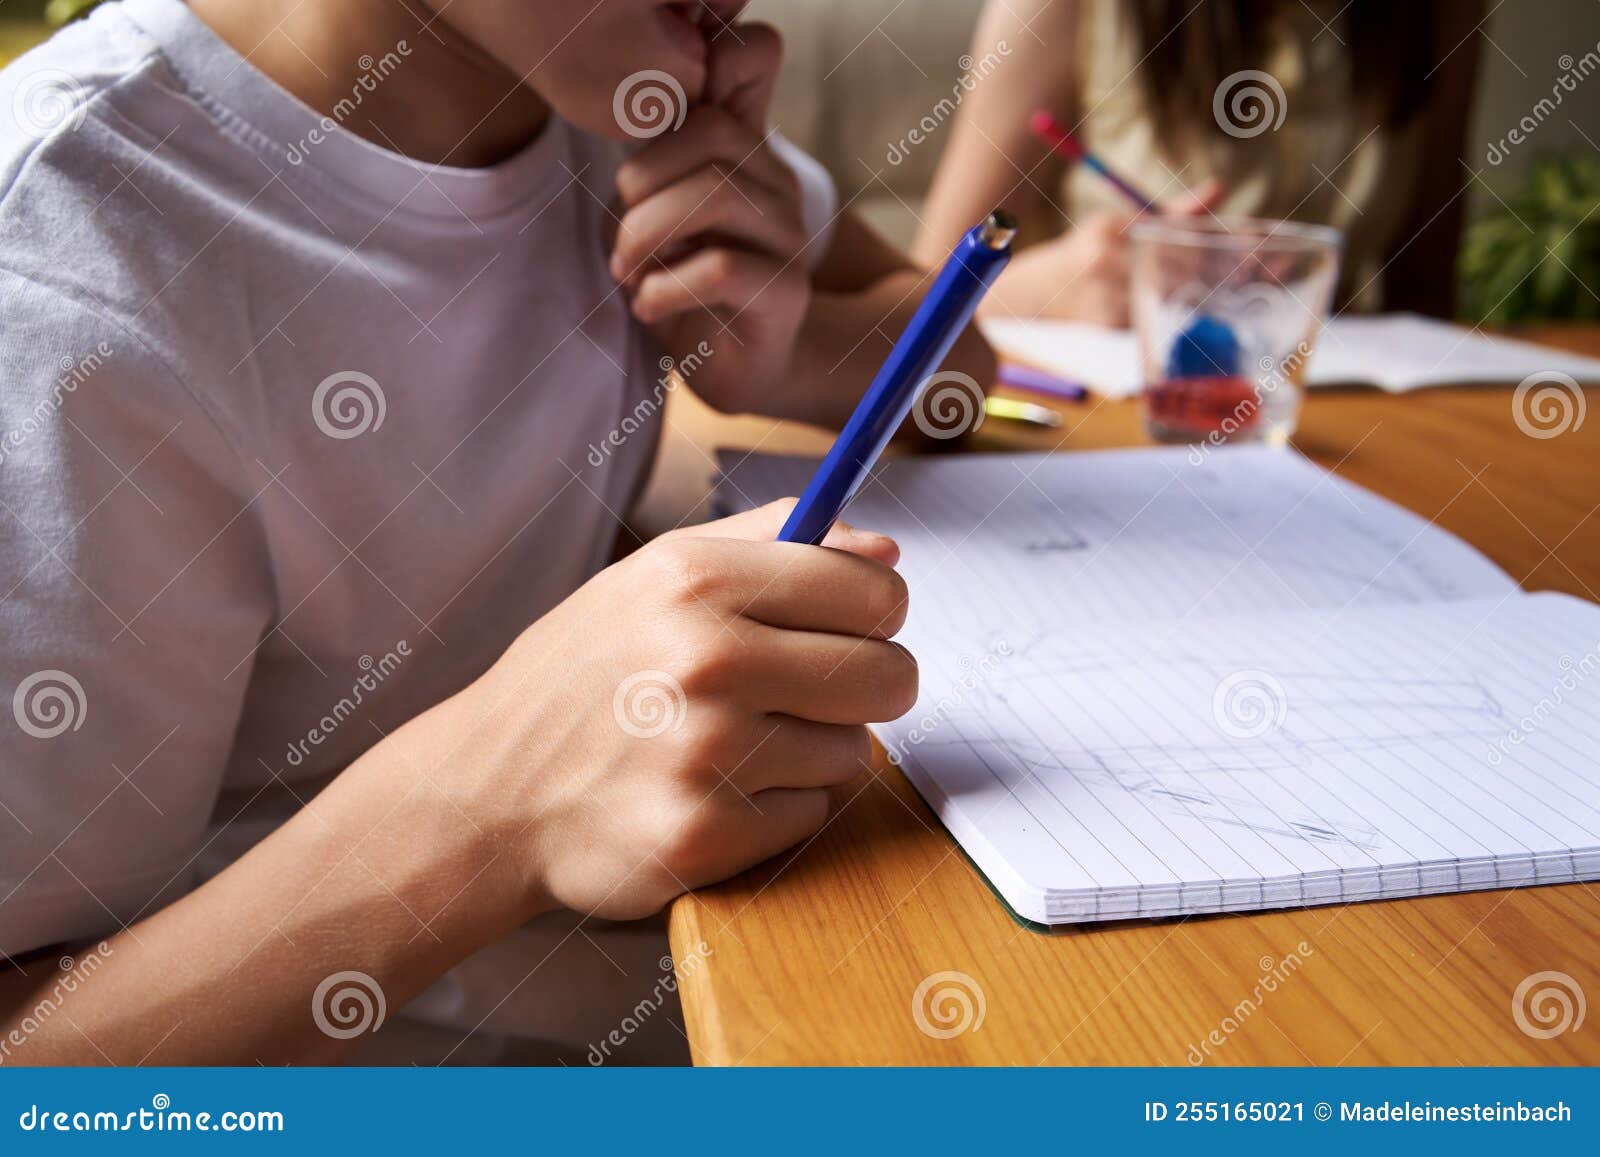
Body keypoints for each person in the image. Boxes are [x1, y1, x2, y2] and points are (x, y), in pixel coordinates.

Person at [0, 0, 992, 1065]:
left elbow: (963, 361)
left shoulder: (600, 92)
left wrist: (789, 348)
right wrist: (493, 808)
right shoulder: (55, 269)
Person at [914, 0, 1483, 324]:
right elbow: (918, 300)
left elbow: (1427, 287)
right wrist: (1059, 286)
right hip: (1119, 413)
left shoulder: (1438, 14)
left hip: (1326, 417)